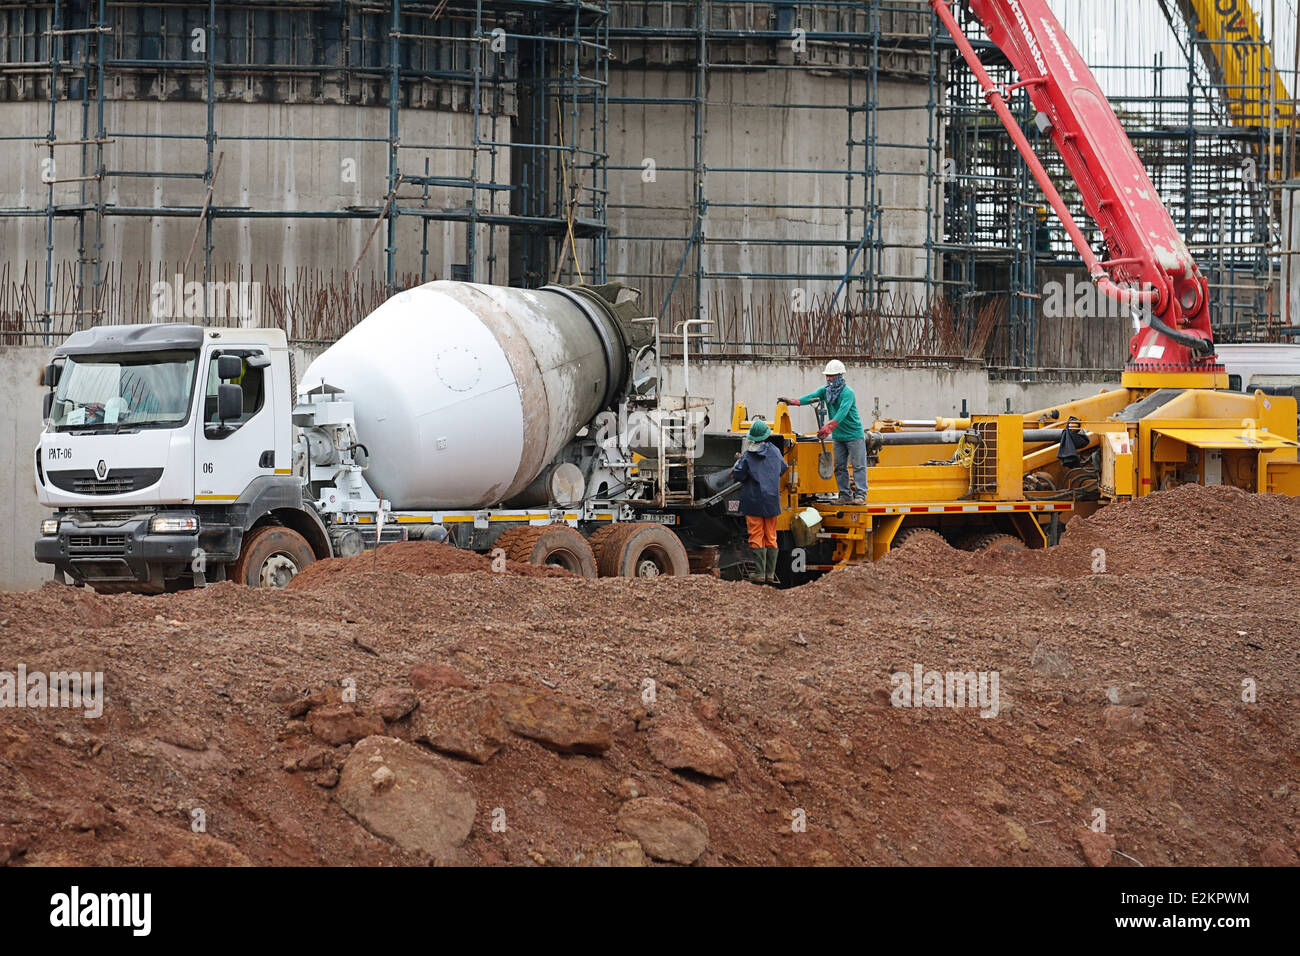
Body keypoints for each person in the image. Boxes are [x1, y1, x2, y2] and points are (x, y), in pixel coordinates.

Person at [778, 359, 867, 504]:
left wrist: (829, 427)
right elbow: (810, 397)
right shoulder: (826, 391)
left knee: (858, 466)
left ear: (839, 376)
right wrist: (793, 401)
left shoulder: (847, 393)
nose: (828, 379)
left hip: (854, 436)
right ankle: (845, 495)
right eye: (827, 376)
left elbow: (842, 412)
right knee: (839, 467)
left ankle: (861, 496)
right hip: (839, 436)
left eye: (831, 376)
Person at [731, 418, 788, 585]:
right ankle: (770, 574)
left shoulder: (748, 454)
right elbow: (783, 467)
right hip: (771, 500)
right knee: (771, 535)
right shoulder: (776, 451)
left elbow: (739, 475)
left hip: (753, 500)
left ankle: (759, 573)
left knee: (756, 534)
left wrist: (738, 460)